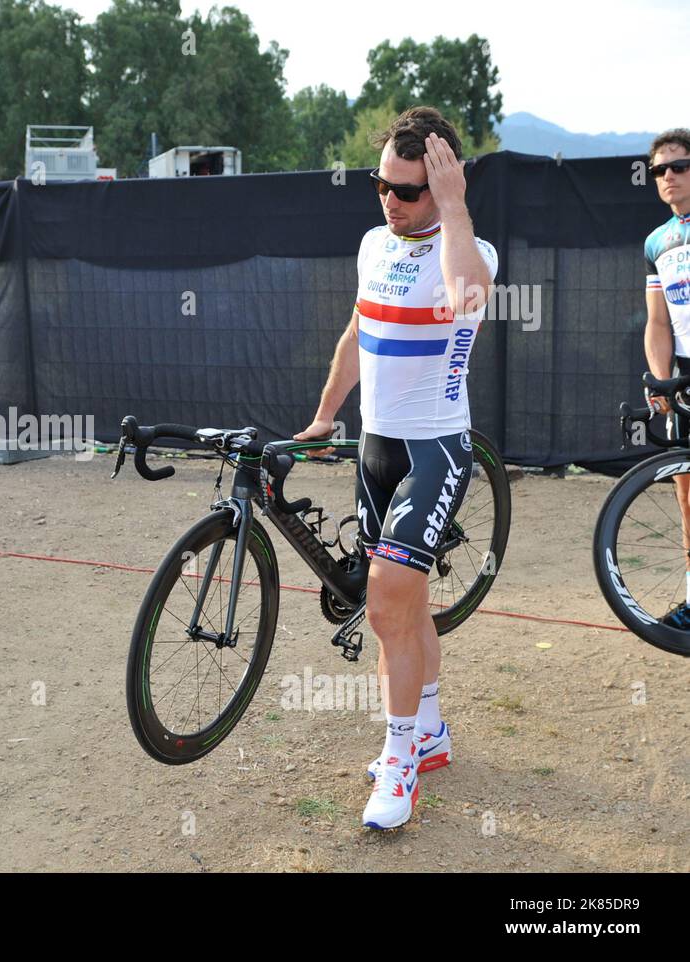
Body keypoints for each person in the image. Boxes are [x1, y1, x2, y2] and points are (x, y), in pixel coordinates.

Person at [294, 107, 498, 830]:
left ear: (441, 185)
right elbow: (357, 333)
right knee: (400, 617)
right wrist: (326, 415)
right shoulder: (372, 244)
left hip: (435, 450)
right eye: (382, 184)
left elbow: (469, 297)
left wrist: (453, 208)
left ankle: (401, 756)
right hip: (375, 448)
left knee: (383, 602)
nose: (390, 199)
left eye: (408, 190)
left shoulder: (470, 247)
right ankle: (432, 732)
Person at [640, 130, 690, 628]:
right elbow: (657, 322)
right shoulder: (656, 241)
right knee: (686, 491)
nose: (668, 176)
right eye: (660, 170)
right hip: (684, 374)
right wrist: (661, 381)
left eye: (679, 166)